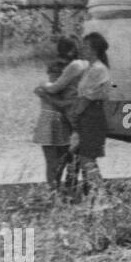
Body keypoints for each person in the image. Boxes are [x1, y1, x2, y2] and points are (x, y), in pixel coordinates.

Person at [33, 36, 88, 192]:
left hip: (54, 119)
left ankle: (55, 191)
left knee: (54, 161)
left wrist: (43, 88)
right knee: (70, 158)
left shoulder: (61, 81)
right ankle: (68, 189)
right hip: (67, 119)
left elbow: (53, 93)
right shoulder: (82, 68)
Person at [67, 32, 112, 199]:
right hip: (87, 115)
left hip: (92, 115)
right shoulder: (91, 68)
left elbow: (87, 98)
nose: (82, 49)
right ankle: (96, 195)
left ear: (94, 50)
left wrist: (75, 114)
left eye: (86, 47)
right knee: (85, 158)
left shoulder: (98, 69)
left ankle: (101, 195)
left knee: (87, 158)